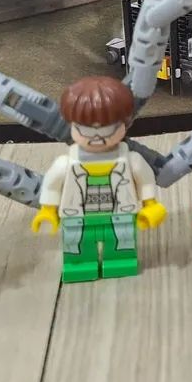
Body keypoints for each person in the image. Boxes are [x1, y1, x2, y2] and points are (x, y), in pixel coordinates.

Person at [31, 76, 166, 282]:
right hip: (77, 216)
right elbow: (52, 185)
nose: (96, 137)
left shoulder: (131, 160)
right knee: (78, 247)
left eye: (107, 129)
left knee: (121, 246)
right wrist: (48, 210)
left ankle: (119, 262)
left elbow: (146, 181)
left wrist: (150, 204)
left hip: (120, 215)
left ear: (124, 125)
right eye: (85, 130)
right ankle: (79, 265)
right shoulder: (66, 163)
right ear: (72, 126)